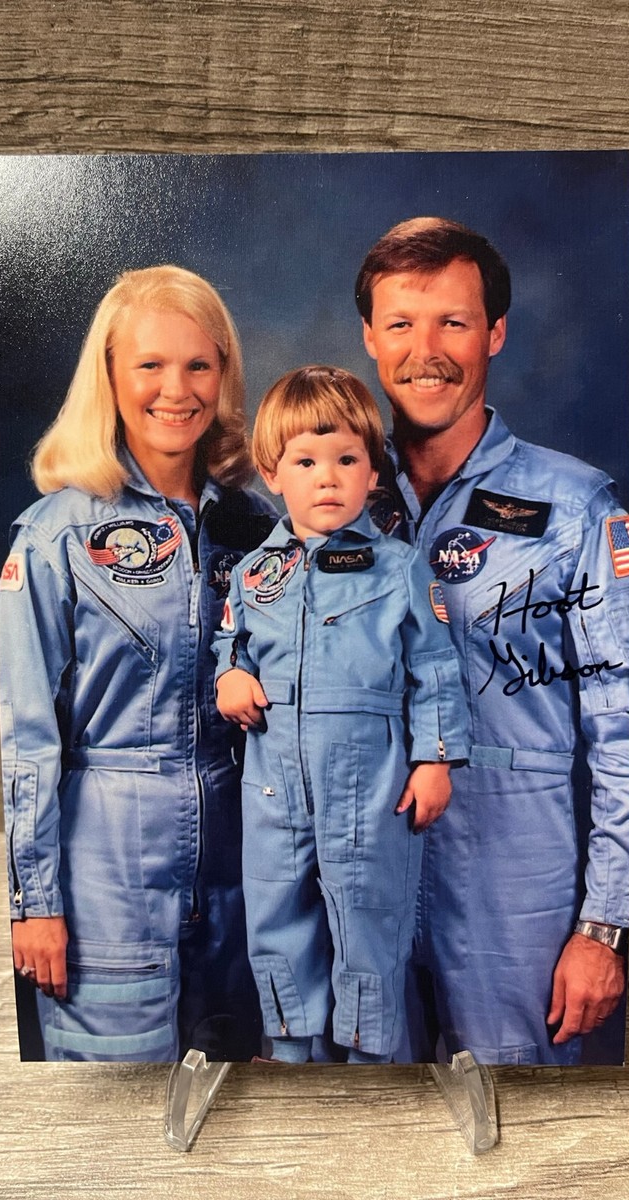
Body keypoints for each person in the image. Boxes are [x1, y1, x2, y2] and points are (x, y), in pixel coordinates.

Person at [355, 217, 629, 1065]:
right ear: (370, 339)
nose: (426, 351)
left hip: (514, 881)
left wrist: (604, 925)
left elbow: (624, 728)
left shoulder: (574, 508)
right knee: (358, 1114)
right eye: (401, 323)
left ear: (496, 333)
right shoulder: (329, 496)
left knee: (518, 1112)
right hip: (363, 868)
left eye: (454, 321)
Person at [0, 264, 278, 1062]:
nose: (175, 390)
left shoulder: (258, 527)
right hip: (105, 871)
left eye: (198, 365)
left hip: (243, 869)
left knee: (242, 1105)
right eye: (150, 364)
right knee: (114, 1111)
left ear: (223, 375)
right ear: (110, 375)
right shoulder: (56, 537)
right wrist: (32, 900)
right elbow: (21, 732)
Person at [212, 366, 468, 1063]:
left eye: (346, 460)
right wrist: (230, 675)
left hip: (368, 779)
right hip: (273, 780)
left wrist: (435, 760)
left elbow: (435, 668)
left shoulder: (400, 568)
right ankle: (292, 1057)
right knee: (277, 918)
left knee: (367, 922)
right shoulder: (253, 573)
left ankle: (372, 1066)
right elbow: (230, 642)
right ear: (272, 473)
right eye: (306, 462)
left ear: (372, 472)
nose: (327, 478)